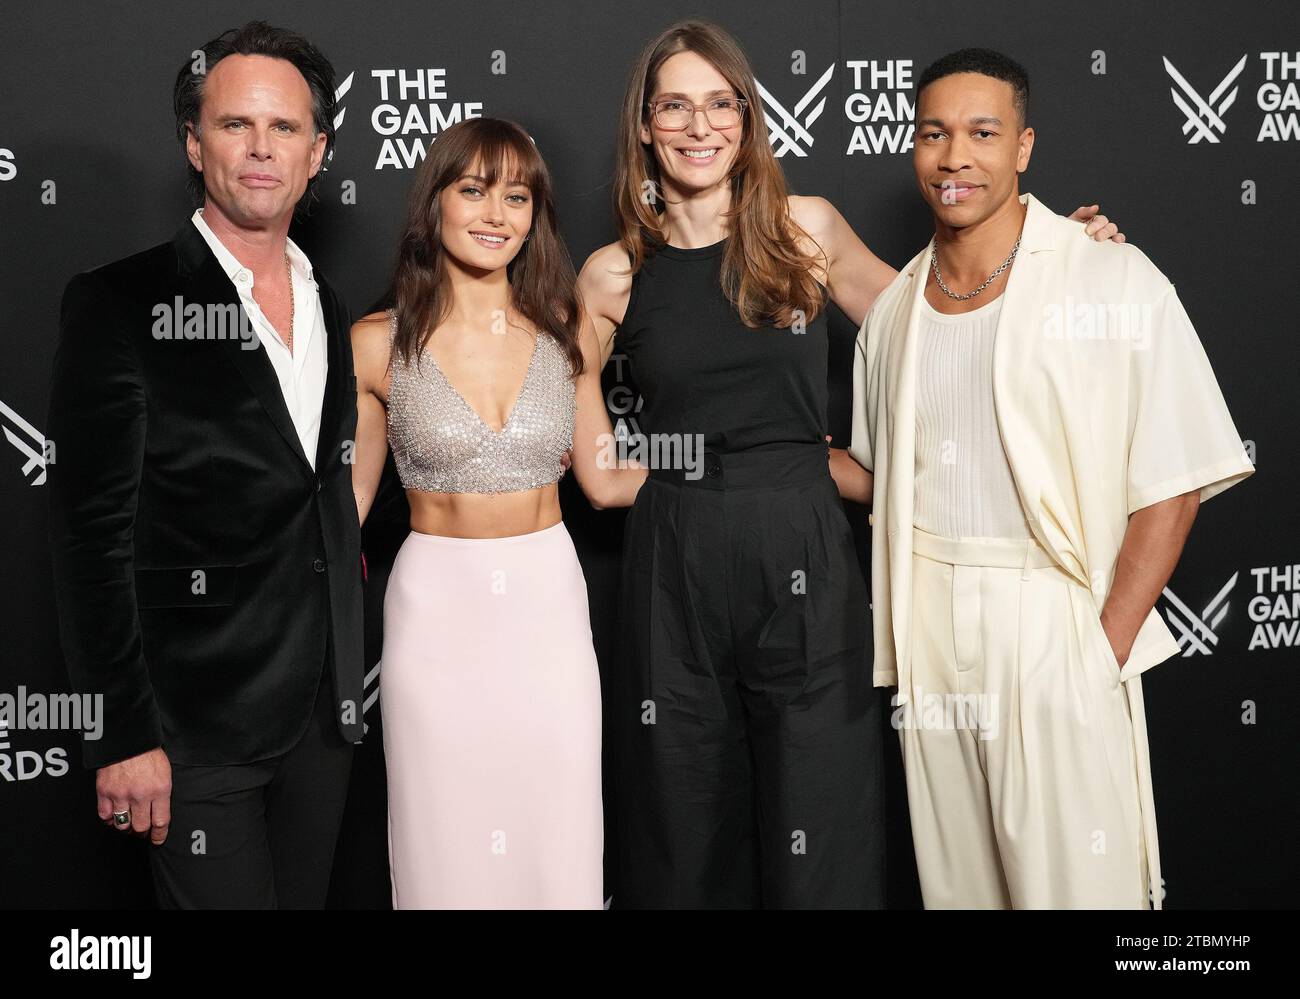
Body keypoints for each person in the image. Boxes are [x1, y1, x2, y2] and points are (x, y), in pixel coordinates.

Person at [577, 19, 1123, 910]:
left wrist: (1062, 261)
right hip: (671, 566)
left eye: (722, 104)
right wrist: (701, 472)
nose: (699, 126)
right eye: (674, 105)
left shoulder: (807, 230)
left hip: (805, 558)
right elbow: (599, 473)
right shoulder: (611, 273)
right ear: (644, 124)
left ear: (750, 120)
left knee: (820, 816)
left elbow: (945, 317)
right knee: (681, 824)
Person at [838, 48, 1254, 908]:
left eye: (983, 133)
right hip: (927, 623)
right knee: (961, 890)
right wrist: (762, 454)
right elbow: (887, 478)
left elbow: (1172, 483)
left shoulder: (1109, 276)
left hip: (1051, 621)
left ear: (1023, 147)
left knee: (1078, 888)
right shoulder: (895, 309)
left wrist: (1099, 650)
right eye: (935, 134)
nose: (956, 156)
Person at [46, 22, 363, 908]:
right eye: (235, 125)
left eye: (286, 128)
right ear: (194, 142)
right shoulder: (119, 302)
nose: (261, 149)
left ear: (319, 150)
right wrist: (121, 733)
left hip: (321, 721)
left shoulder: (328, 303)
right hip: (191, 731)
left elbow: (319, 494)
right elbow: (87, 535)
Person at [350, 117, 646, 908]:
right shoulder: (376, 344)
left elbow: (609, 480)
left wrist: (737, 461)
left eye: (516, 196)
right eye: (473, 190)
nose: (495, 214)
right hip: (435, 614)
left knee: (556, 830)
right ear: (435, 203)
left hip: (547, 601)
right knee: (441, 836)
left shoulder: (565, 327)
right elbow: (345, 508)